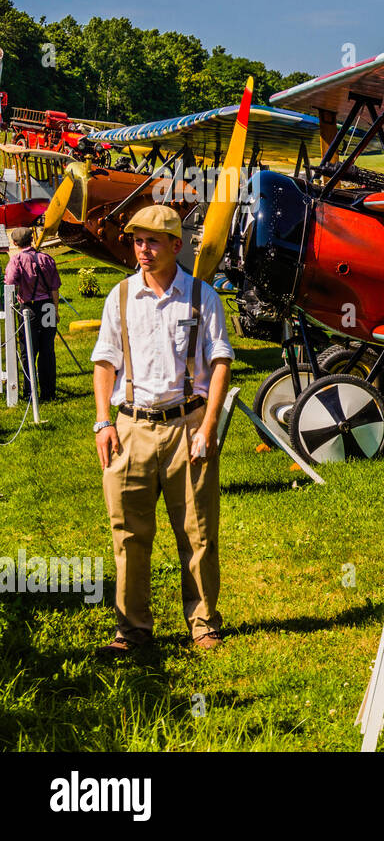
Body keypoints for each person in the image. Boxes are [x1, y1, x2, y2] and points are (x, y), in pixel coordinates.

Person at [90, 204, 234, 655]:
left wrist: (208, 425)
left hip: (186, 423)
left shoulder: (202, 296)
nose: (143, 249)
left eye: (153, 241)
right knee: (128, 534)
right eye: (137, 240)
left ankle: (203, 621)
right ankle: (132, 629)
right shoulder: (120, 296)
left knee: (197, 531)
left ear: (177, 245)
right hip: (130, 427)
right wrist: (103, 422)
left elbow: (220, 360)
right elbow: (105, 362)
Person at [3, 225, 60, 402]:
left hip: (28, 308)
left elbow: (10, 283)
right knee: (48, 350)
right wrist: (55, 310)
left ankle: (30, 393)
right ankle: (49, 392)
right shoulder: (47, 258)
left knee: (28, 351)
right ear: (32, 240)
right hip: (48, 306)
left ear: (14, 242)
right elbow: (55, 288)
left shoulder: (16, 260)